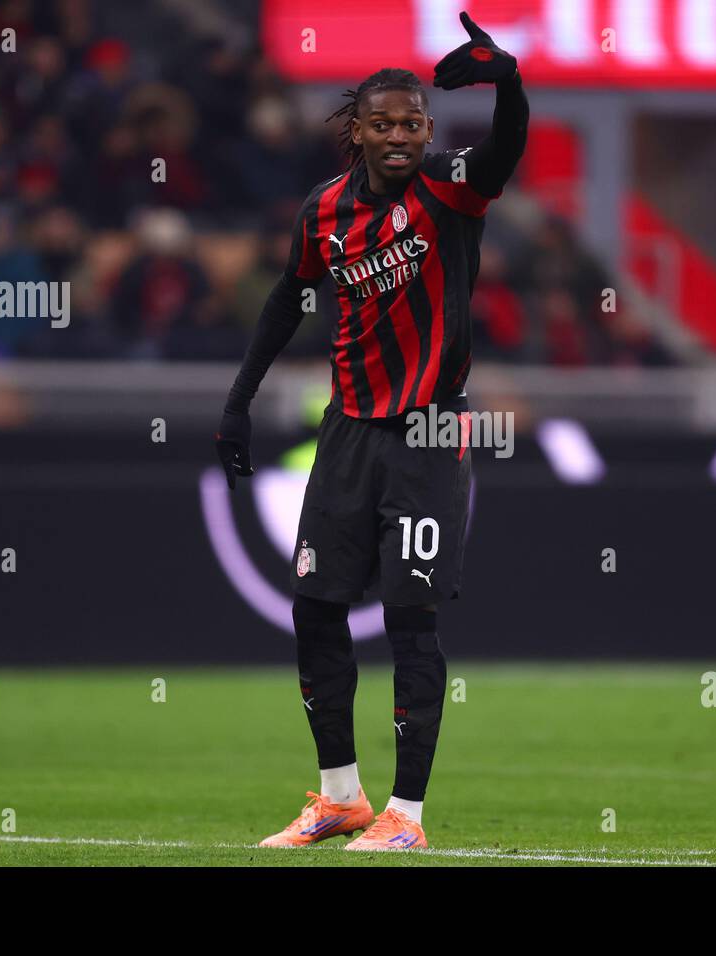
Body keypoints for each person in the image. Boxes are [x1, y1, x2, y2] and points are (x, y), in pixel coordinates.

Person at [214, 11, 527, 852]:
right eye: (383, 123)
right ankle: (340, 797)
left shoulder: (451, 186)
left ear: (430, 131)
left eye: (413, 123)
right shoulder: (323, 213)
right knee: (315, 608)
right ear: (354, 131)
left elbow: (504, 153)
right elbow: (288, 298)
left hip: (427, 434)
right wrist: (240, 400)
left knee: (409, 620)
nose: (399, 136)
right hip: (348, 433)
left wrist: (510, 81)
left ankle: (407, 817)